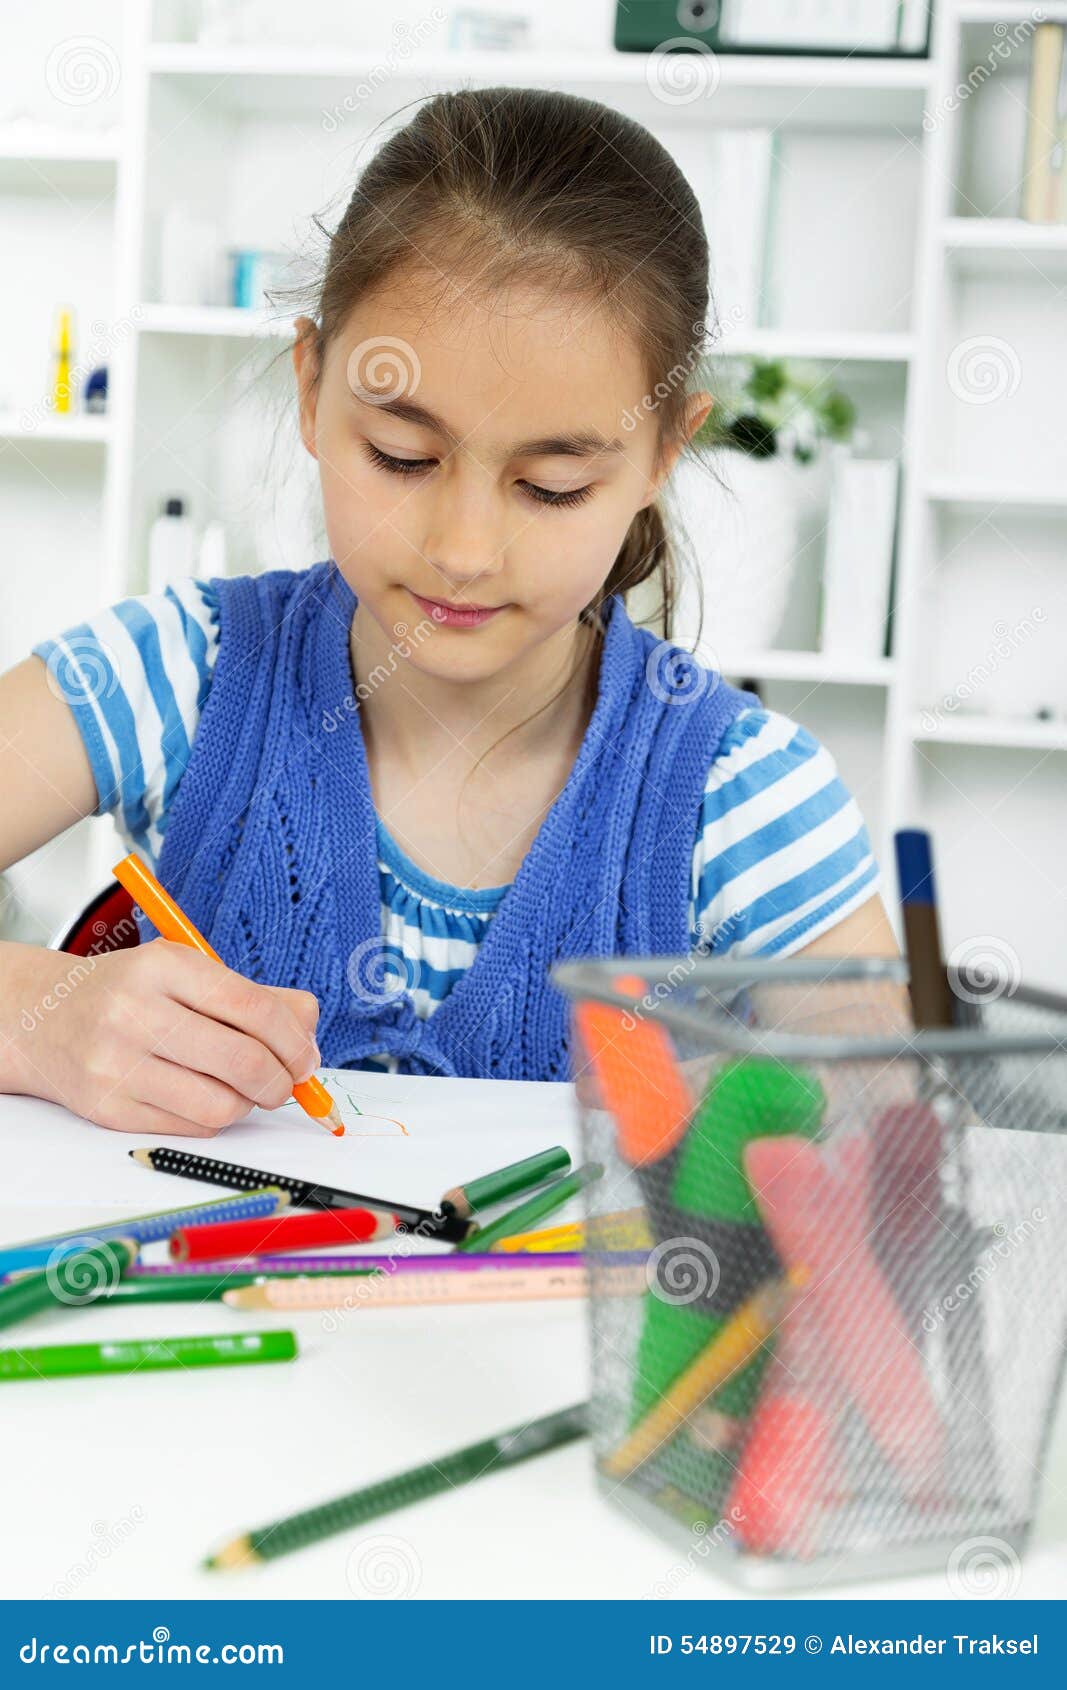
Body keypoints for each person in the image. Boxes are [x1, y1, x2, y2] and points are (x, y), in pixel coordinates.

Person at [0, 88, 895, 1136]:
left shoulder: (743, 798)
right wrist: (37, 1016)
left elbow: (889, 1158)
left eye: (551, 484)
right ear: (310, 385)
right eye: (402, 457)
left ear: (661, 453)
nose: (463, 551)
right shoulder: (176, 672)